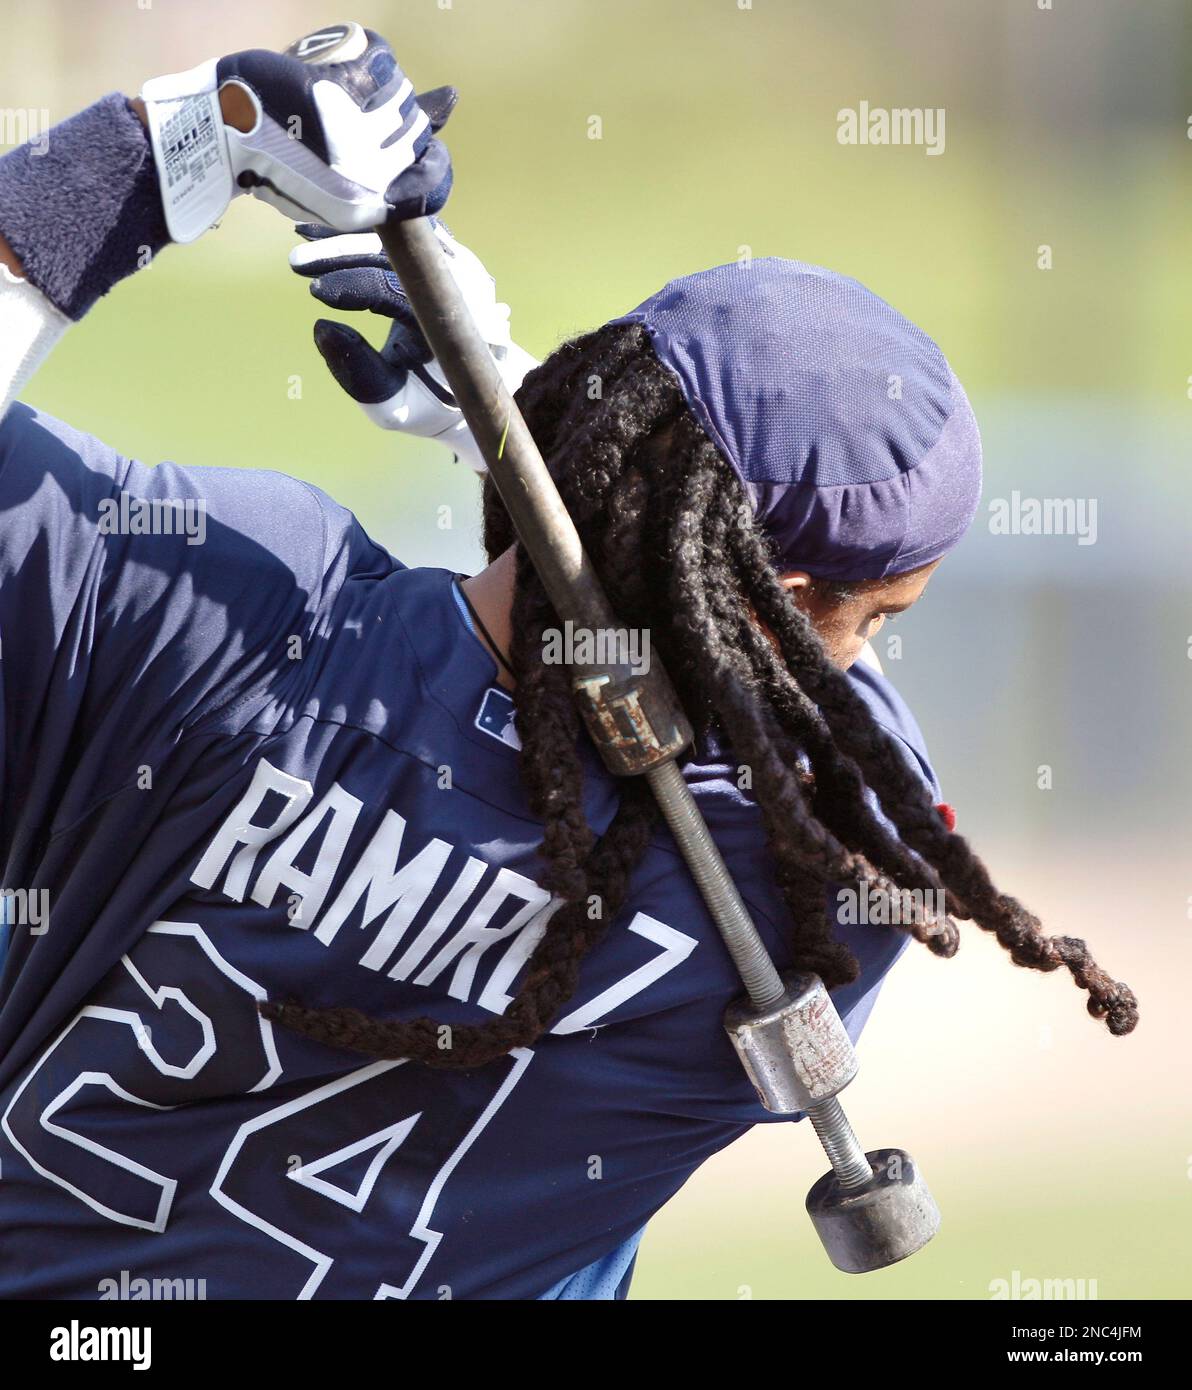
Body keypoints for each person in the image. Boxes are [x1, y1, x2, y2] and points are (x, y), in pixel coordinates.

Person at [0, 23, 1135, 1301]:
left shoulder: (223, 602)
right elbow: (751, 669)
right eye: (874, 619)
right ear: (780, 607)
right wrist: (513, 433)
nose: (859, 667)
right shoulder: (805, 886)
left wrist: (165, 149)